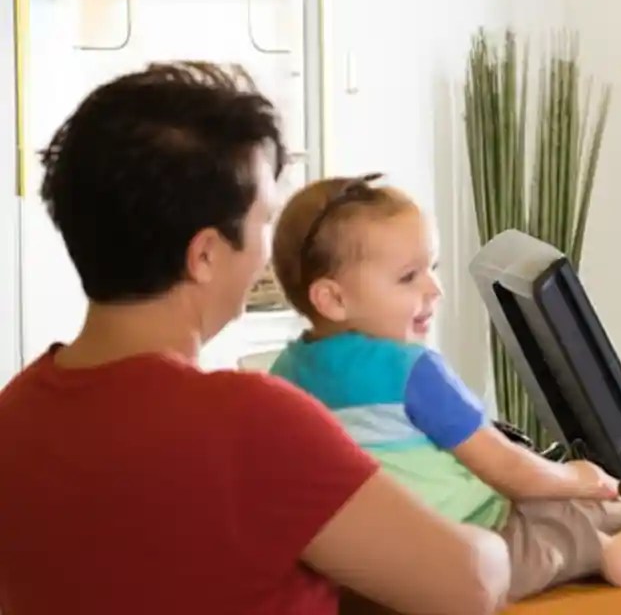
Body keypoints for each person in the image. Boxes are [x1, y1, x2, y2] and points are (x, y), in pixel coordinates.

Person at [0, 62, 512, 615]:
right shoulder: (250, 422)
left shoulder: (16, 413)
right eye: (263, 221)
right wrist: (496, 542)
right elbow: (468, 587)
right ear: (205, 255)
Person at [267, 175, 621, 602]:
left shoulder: (285, 374)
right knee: (584, 512)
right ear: (333, 299)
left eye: (431, 268)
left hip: (378, 569)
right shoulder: (413, 371)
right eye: (408, 277)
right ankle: (615, 553)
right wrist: (578, 476)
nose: (434, 289)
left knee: (592, 506)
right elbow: (509, 470)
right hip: (473, 546)